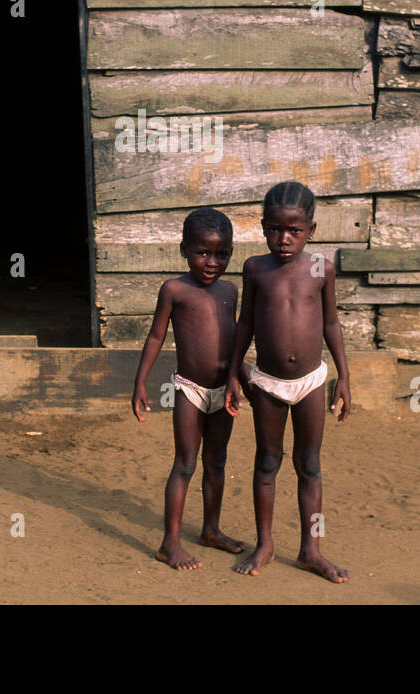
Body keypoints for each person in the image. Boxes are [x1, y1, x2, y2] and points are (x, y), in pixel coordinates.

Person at [225, 181, 350, 582]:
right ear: (263, 227)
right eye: (275, 229)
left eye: (294, 230)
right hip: (267, 382)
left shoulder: (321, 269)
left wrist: (344, 376)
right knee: (267, 462)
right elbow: (245, 323)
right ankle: (265, 544)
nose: (284, 239)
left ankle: (310, 550)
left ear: (311, 230)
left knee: (310, 466)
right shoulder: (256, 268)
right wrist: (232, 372)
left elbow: (330, 322)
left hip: (311, 381)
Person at [131, 207, 246, 570]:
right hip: (190, 390)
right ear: (183, 250)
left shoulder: (230, 290)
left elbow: (233, 342)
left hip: (222, 390)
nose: (212, 262)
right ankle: (170, 544)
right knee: (185, 463)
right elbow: (155, 336)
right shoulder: (175, 290)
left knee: (217, 461)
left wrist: (238, 379)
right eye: (202, 253)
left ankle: (210, 530)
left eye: (221, 254)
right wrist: (140, 383)